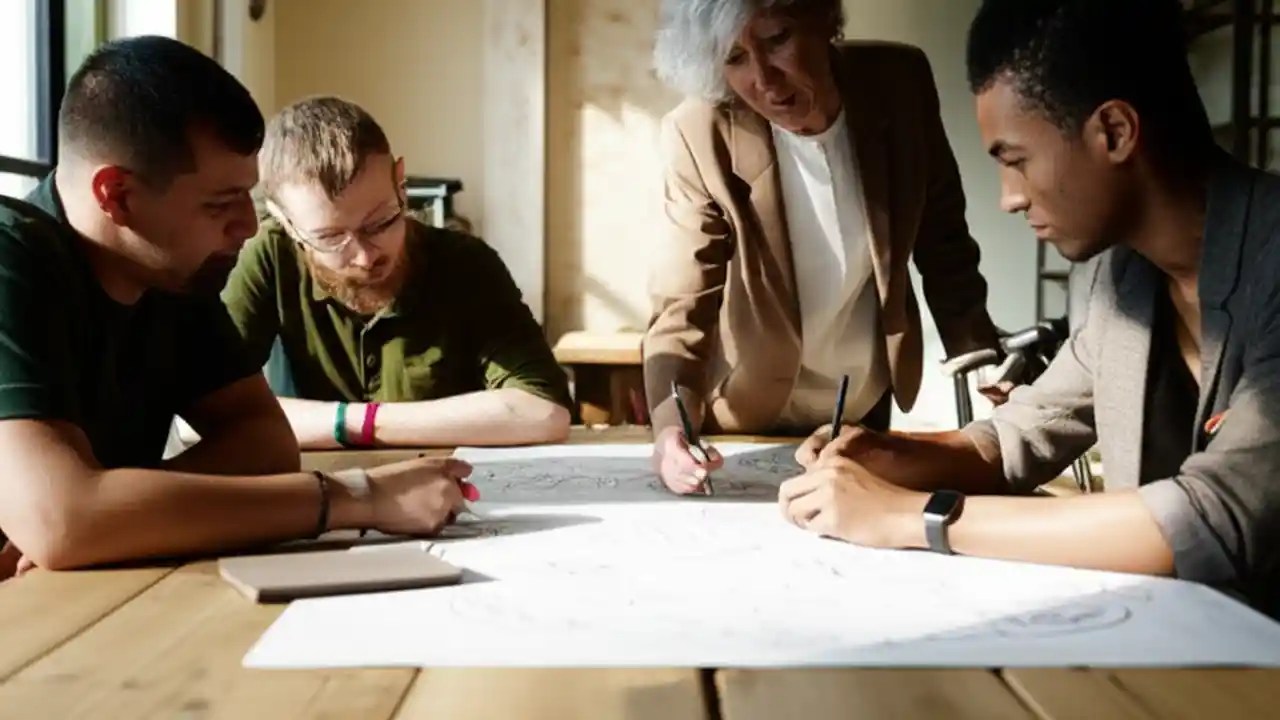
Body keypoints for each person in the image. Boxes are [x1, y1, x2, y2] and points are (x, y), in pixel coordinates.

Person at [783, 0, 1280, 618]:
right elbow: (1018, 440)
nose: (1009, 199)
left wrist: (914, 516)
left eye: (1015, 160)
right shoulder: (1119, 279)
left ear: (1116, 132)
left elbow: (1220, 514)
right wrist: (889, 457)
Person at [0, 37, 470, 579]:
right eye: (219, 206)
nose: (247, 229)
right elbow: (65, 524)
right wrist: (354, 498)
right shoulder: (12, 259)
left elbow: (264, 441)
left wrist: (114, 515)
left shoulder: (171, 271)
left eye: (246, 200)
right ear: (118, 196)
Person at [645, 0, 1007, 495]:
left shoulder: (900, 83)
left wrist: (981, 358)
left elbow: (944, 238)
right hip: (751, 414)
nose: (765, 80)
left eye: (777, 40)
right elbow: (682, 302)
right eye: (734, 59)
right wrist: (670, 429)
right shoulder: (698, 131)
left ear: (823, 19)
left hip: (861, 407)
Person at [219, 97, 572, 450]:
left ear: (400, 182)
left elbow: (543, 410)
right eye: (330, 238)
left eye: (380, 221)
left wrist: (361, 423)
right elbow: (202, 414)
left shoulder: (466, 263)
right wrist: (354, 422)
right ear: (283, 219)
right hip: (329, 491)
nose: (364, 256)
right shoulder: (270, 253)